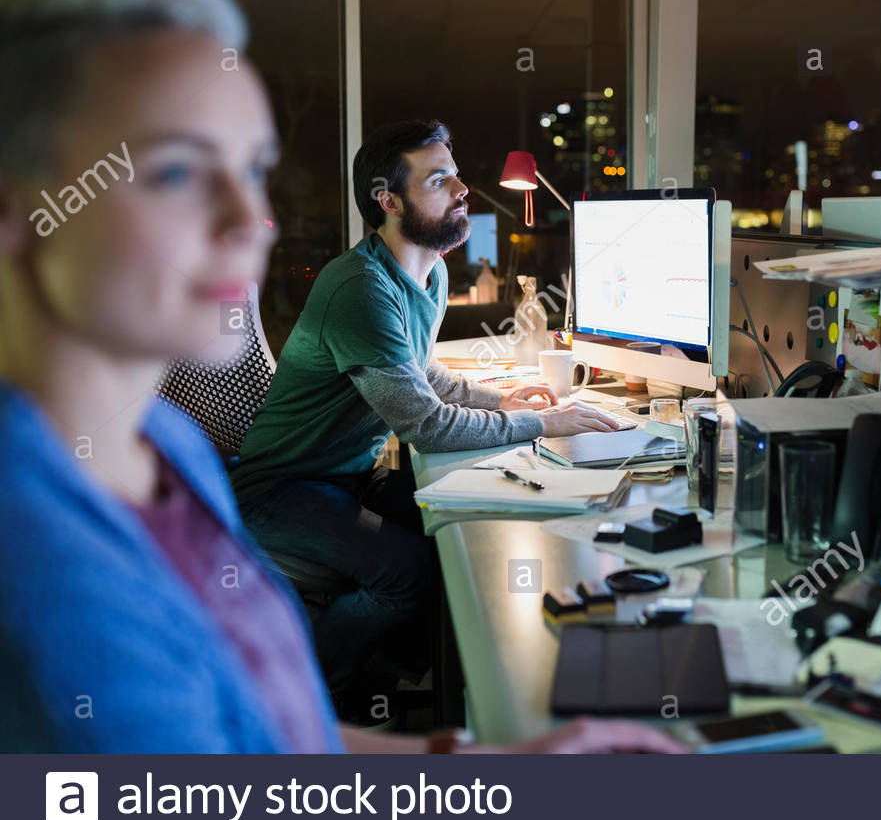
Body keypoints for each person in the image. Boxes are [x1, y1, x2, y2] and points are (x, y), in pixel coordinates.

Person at [0, 0, 678, 755]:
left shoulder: (166, 450)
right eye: (177, 171)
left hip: (337, 478)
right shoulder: (39, 567)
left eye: (254, 171)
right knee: (419, 572)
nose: (253, 223)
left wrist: (483, 761)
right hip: (295, 486)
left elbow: (268, 737)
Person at [230, 119, 623, 704]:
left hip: (347, 477)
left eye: (456, 175)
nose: (463, 190)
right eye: (439, 180)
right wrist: (545, 422)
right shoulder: (359, 289)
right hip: (281, 488)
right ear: (388, 201)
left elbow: (420, 371)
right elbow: (428, 426)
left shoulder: (430, 270)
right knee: (408, 574)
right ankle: (310, 693)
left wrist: (501, 400)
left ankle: (413, 689)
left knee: (453, 543)